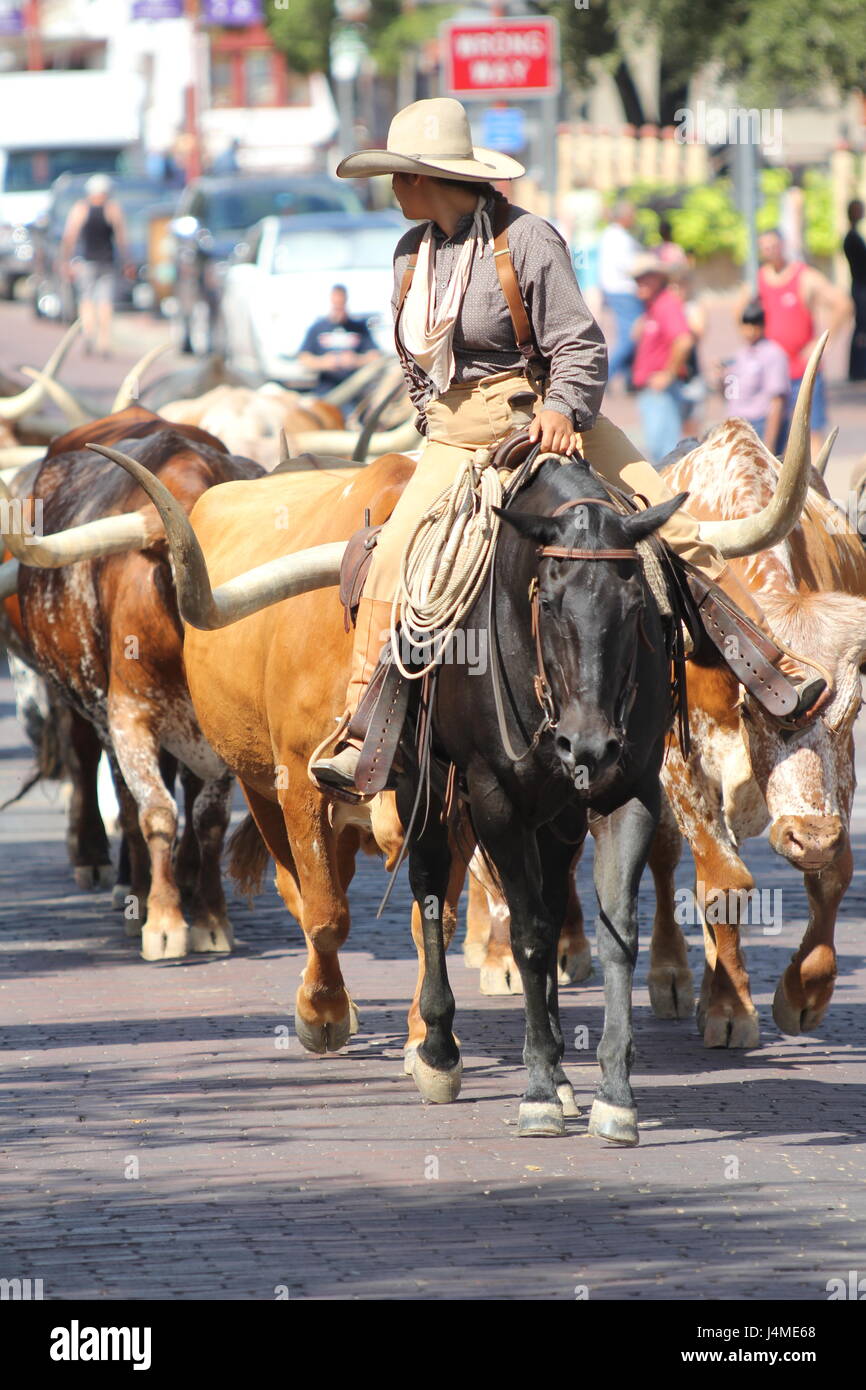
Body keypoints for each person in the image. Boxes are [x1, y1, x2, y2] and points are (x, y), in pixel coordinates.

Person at [308, 98, 828, 798]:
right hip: (454, 438)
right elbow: (413, 362)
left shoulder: (528, 240)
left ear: (426, 178)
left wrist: (559, 406)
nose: (392, 187)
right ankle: (365, 731)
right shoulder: (411, 255)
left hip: (546, 415)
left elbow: (579, 343)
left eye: (399, 175)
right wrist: (436, 417)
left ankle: (773, 669)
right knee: (390, 566)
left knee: (672, 525)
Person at [755, 228, 850, 456]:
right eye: (765, 247)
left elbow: (842, 304)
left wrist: (822, 344)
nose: (770, 251)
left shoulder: (804, 277)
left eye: (773, 246)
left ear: (782, 246)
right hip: (774, 374)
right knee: (776, 432)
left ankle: (813, 483)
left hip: (803, 371)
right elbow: (742, 312)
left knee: (810, 430)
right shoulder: (759, 279)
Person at [630, 255, 694, 464]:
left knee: (665, 454)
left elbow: (684, 340)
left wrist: (668, 373)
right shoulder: (653, 306)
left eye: (644, 278)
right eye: (637, 279)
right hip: (653, 390)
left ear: (657, 278)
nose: (639, 283)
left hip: (661, 390)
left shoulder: (666, 303)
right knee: (659, 450)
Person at [60, 174, 130, 357]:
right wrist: (127, 260)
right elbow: (122, 238)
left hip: (87, 262)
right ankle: (103, 341)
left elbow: (70, 236)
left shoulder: (81, 209)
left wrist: (66, 261)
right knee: (105, 302)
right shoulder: (112, 209)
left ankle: (89, 336)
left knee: (87, 300)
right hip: (106, 261)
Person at [717, 300, 790, 453]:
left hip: (760, 424)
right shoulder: (740, 355)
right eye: (746, 326)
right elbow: (728, 394)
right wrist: (719, 377)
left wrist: (769, 442)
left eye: (755, 326)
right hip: (737, 423)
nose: (750, 331)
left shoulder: (773, 354)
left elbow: (777, 400)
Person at [298, 285, 380, 392]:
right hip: (326, 388)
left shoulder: (359, 328)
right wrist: (324, 362)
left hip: (353, 390)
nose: (339, 309)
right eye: (336, 305)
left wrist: (355, 360)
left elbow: (375, 356)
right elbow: (304, 357)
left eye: (341, 304)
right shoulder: (318, 328)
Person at [598, 201, 643, 383]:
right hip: (623, 290)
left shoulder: (611, 234)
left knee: (630, 335)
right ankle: (607, 376)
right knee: (631, 336)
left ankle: (629, 378)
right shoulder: (618, 237)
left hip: (615, 289)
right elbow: (627, 265)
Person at [843, 199, 866, 382]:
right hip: (860, 287)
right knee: (861, 327)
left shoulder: (853, 236)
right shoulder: (851, 238)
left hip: (859, 286)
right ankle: (857, 368)